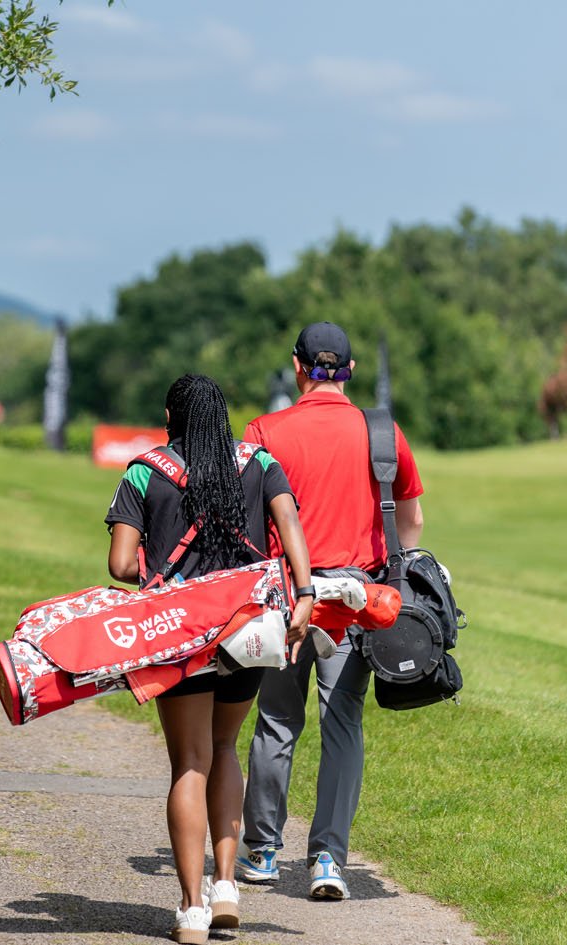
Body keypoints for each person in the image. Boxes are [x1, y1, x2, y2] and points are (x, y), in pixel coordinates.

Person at [104, 374, 315, 944]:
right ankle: (226, 886)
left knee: (190, 763)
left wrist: (160, 563)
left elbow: (121, 566)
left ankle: (192, 909)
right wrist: (305, 593)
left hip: (180, 636)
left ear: (170, 418)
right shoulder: (258, 462)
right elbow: (289, 523)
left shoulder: (145, 471)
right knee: (225, 748)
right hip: (249, 630)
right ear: (222, 417)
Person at [237, 322, 425, 901]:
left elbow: (245, 524)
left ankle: (263, 851)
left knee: (276, 721)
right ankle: (327, 860)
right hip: (355, 597)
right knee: (342, 722)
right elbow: (411, 522)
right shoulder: (382, 431)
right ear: (350, 370)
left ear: (297, 367)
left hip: (286, 595)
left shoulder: (264, 430)